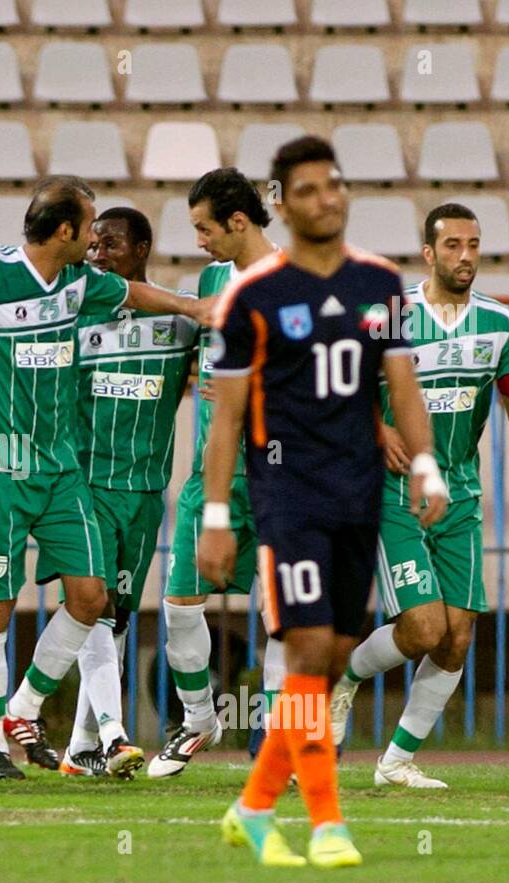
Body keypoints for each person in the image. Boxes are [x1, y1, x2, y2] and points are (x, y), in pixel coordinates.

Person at [0, 175, 213, 779]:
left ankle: (22, 707)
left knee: (91, 599)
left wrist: (193, 308)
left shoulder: (78, 281)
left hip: (60, 469)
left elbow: (132, 295)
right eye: (89, 228)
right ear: (64, 231)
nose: (94, 241)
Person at [198, 137, 447, 867]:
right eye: (305, 190)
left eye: (332, 185)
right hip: (286, 493)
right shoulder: (253, 296)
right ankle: (328, 824)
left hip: (358, 492)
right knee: (306, 646)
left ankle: (250, 808)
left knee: (330, 659)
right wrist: (217, 516)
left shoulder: (382, 282)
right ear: (281, 203)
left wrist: (425, 463)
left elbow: (402, 387)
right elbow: (227, 417)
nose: (323, 198)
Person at [329, 203, 509, 788]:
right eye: (453, 245)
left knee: (457, 639)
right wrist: (377, 430)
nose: (466, 257)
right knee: (424, 629)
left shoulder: (499, 325)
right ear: (429, 253)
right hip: (395, 492)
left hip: (460, 494)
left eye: (474, 245)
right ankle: (345, 677)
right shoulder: (389, 317)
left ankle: (396, 762)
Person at [150, 167, 289, 779]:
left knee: (281, 615)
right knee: (180, 602)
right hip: (211, 477)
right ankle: (199, 718)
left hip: (280, 478)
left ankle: (278, 741)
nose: (199, 240)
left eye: (205, 228)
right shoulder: (209, 281)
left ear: (238, 222)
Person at [53, 205, 193, 778]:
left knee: (116, 618)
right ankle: (110, 736)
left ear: (142, 249)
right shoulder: (72, 318)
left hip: (144, 490)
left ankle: (80, 749)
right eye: (93, 247)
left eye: (110, 245)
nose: (99, 255)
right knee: (94, 607)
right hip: (85, 485)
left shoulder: (182, 326)